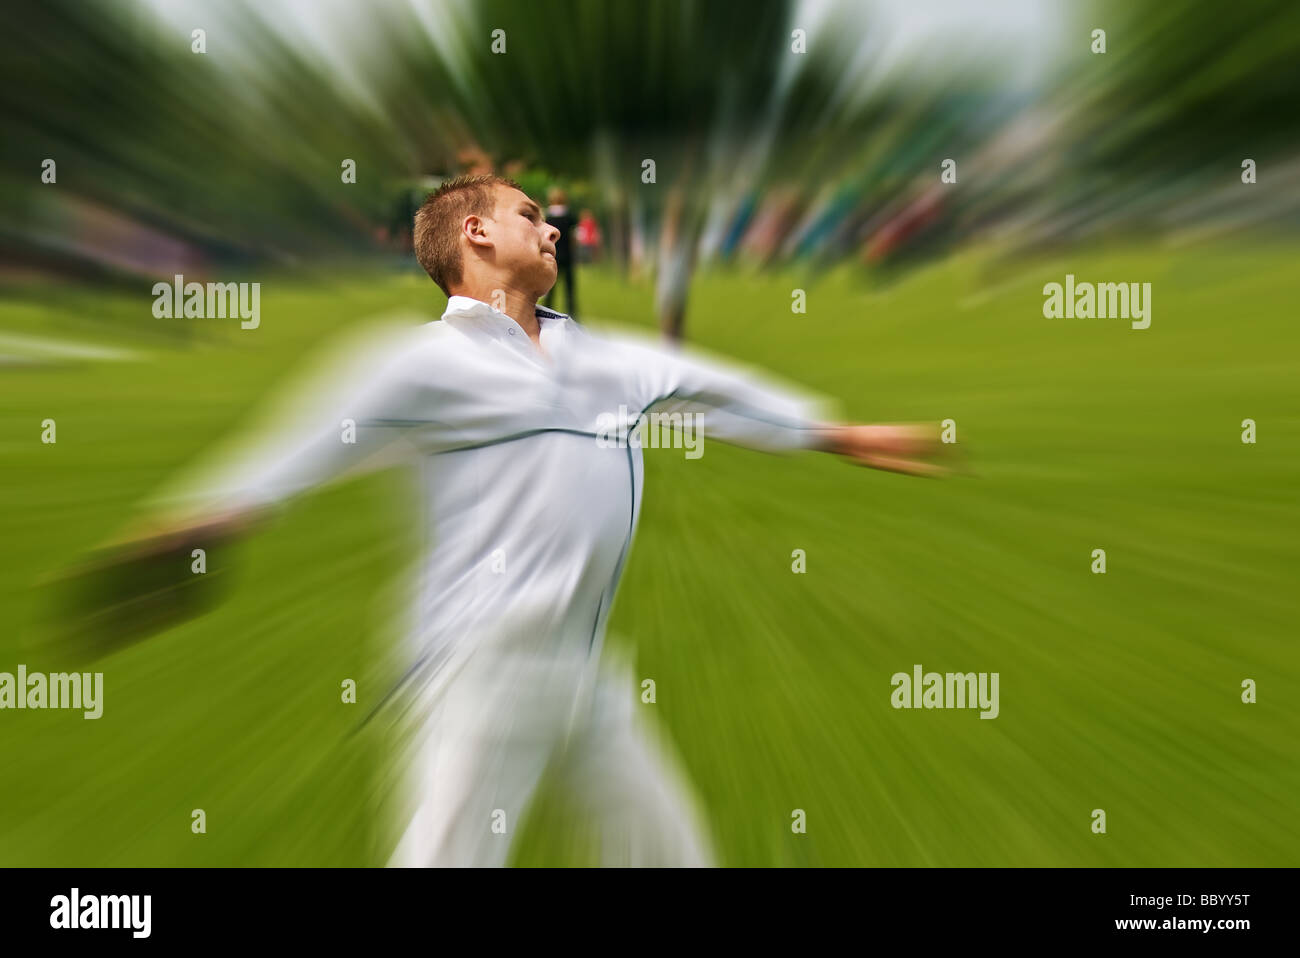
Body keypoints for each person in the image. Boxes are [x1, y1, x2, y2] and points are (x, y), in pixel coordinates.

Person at [120, 173, 948, 867]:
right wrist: (215, 518)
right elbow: (311, 436)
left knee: (668, 854)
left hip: (585, 673)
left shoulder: (597, 358)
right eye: (529, 215)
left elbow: (711, 386)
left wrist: (835, 433)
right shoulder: (424, 363)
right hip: (485, 669)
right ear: (474, 234)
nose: (551, 228)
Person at [540, 186, 577, 319]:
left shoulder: (548, 217)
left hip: (554, 255)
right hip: (567, 255)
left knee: (550, 287)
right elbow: (574, 237)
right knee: (569, 288)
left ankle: (546, 311)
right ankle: (572, 313)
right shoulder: (570, 217)